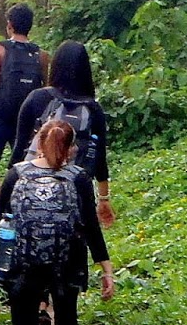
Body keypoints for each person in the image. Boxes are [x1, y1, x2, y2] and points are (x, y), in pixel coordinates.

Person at [0, 118, 114, 325]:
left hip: (24, 265)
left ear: (38, 141)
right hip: (67, 263)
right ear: (71, 147)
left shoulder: (17, 173)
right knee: (68, 322)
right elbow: (90, 226)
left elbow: (0, 223)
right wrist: (106, 267)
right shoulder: (78, 178)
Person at [10, 40, 115, 228]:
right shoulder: (93, 108)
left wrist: (10, 194)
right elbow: (99, 158)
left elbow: (18, 150)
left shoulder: (37, 98)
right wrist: (104, 199)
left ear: (55, 66)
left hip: (32, 192)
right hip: (75, 192)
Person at [0, 4, 49, 199]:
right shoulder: (41, 55)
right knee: (25, 165)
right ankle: (17, 202)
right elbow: (46, 91)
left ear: (9, 25)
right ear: (30, 26)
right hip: (26, 120)